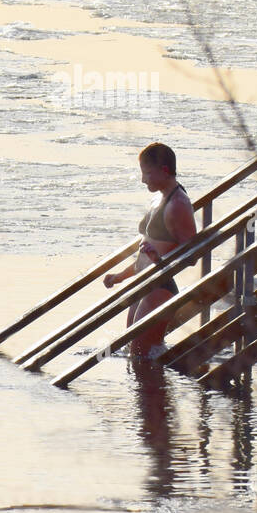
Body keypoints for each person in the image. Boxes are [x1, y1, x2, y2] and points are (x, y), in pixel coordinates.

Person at [102, 142, 198, 356]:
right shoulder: (158, 198)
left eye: (147, 173)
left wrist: (158, 260)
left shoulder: (178, 204)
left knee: (143, 359)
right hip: (144, 284)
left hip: (159, 287)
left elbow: (192, 255)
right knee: (134, 356)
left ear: (164, 170)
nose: (143, 179)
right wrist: (120, 277)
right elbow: (145, 253)